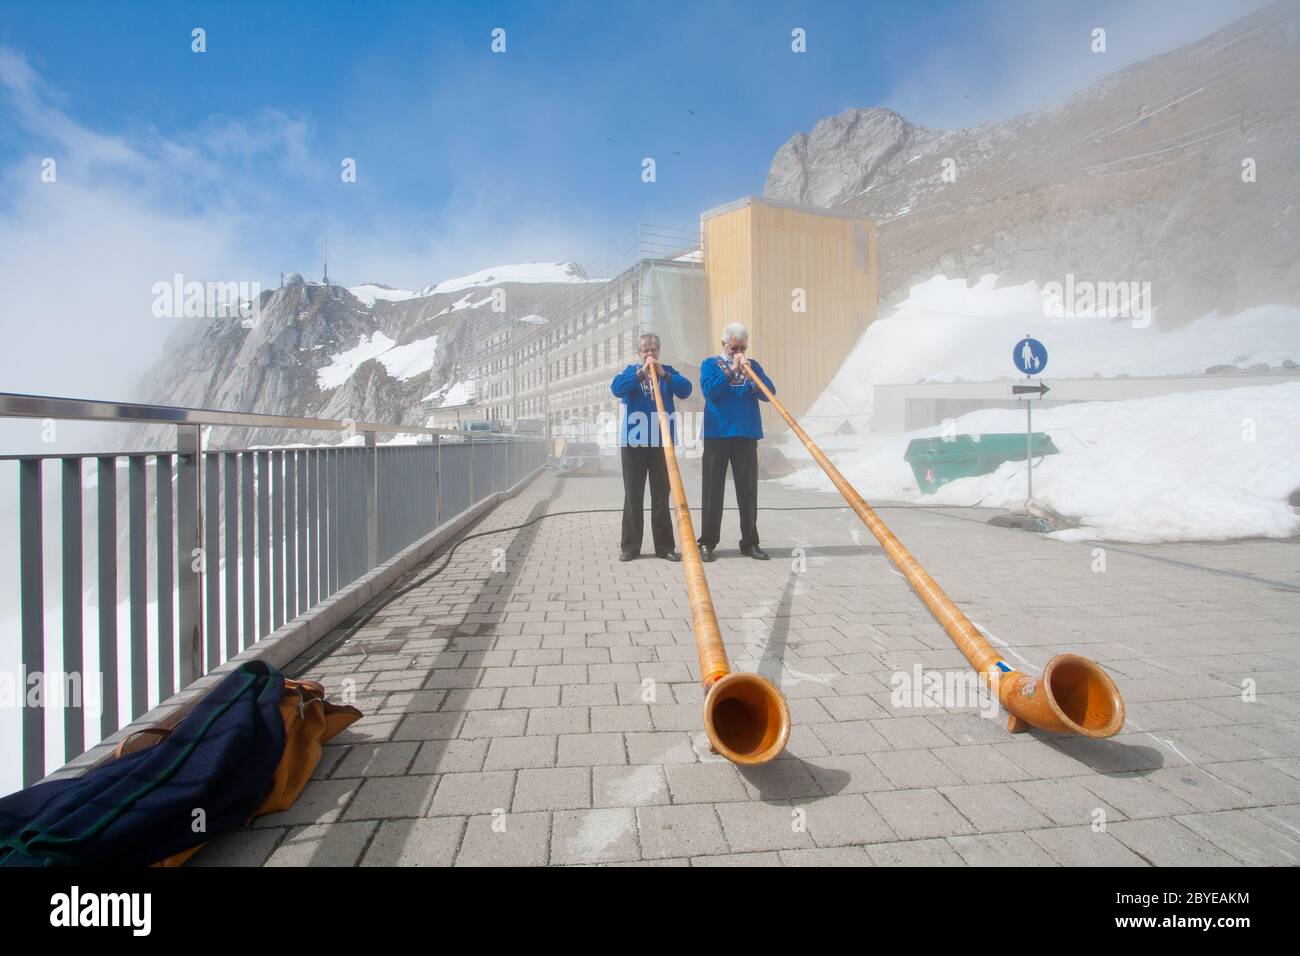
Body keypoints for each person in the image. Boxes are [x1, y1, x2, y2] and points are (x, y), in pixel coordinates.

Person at [610, 332, 692, 562]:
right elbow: (616, 389)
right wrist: (640, 375)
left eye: (653, 349)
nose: (649, 353)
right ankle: (630, 546)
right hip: (634, 443)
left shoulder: (668, 372)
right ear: (639, 353)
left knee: (661, 497)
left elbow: (686, 390)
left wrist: (664, 374)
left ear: (659, 351)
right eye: (645, 350)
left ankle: (664, 547)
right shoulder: (631, 372)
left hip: (661, 444)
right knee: (633, 496)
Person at [697, 322, 775, 561]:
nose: (738, 352)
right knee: (712, 491)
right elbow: (710, 390)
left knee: (748, 491)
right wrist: (731, 369)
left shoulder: (754, 366)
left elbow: (769, 393)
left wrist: (753, 378)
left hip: (746, 434)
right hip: (716, 435)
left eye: (742, 347)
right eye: (733, 347)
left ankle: (750, 542)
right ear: (723, 345)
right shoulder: (710, 364)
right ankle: (708, 542)